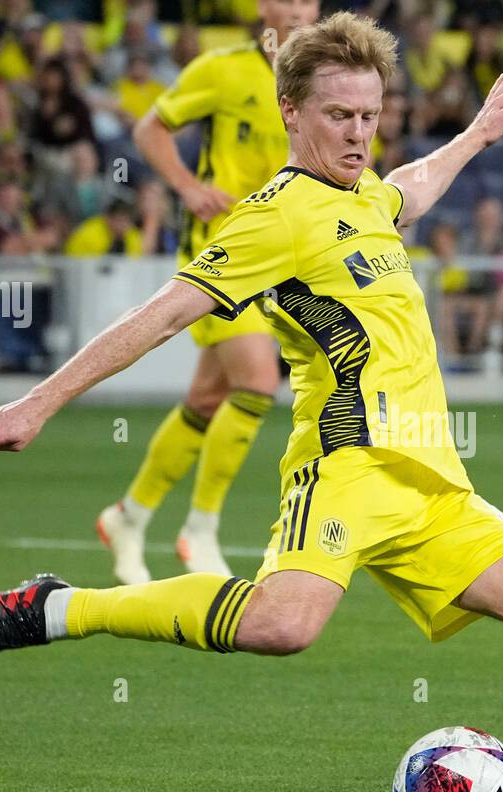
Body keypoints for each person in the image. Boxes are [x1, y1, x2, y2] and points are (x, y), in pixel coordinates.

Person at [0, 13, 503, 792]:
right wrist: (40, 401)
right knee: (284, 627)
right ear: (292, 110)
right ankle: (61, 606)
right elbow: (167, 313)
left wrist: (477, 133)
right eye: (339, 116)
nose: (359, 134)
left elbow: (414, 185)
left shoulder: (367, 196)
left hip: (430, 481)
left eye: (369, 115)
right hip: (345, 463)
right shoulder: (275, 216)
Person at [95, 0, 321, 585]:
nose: (297, 9)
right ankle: (200, 529)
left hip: (282, 256)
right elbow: (150, 128)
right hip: (221, 250)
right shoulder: (222, 69)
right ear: (265, 7)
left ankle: (129, 516)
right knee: (257, 380)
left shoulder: (320, 78)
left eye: (308, 0)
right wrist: (188, 186)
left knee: (205, 400)